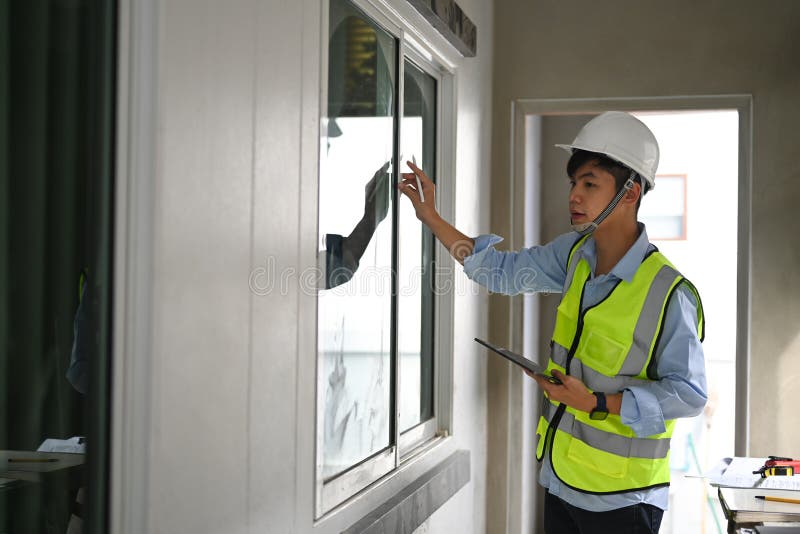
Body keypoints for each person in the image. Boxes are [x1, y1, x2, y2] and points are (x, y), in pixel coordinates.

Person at [398, 111, 706, 534]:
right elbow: (499, 271)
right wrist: (429, 216)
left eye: (590, 184)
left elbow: (689, 395)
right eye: (574, 184)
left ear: (630, 192)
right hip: (561, 480)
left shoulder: (671, 294)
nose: (574, 196)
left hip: (623, 502)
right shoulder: (577, 254)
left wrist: (596, 403)